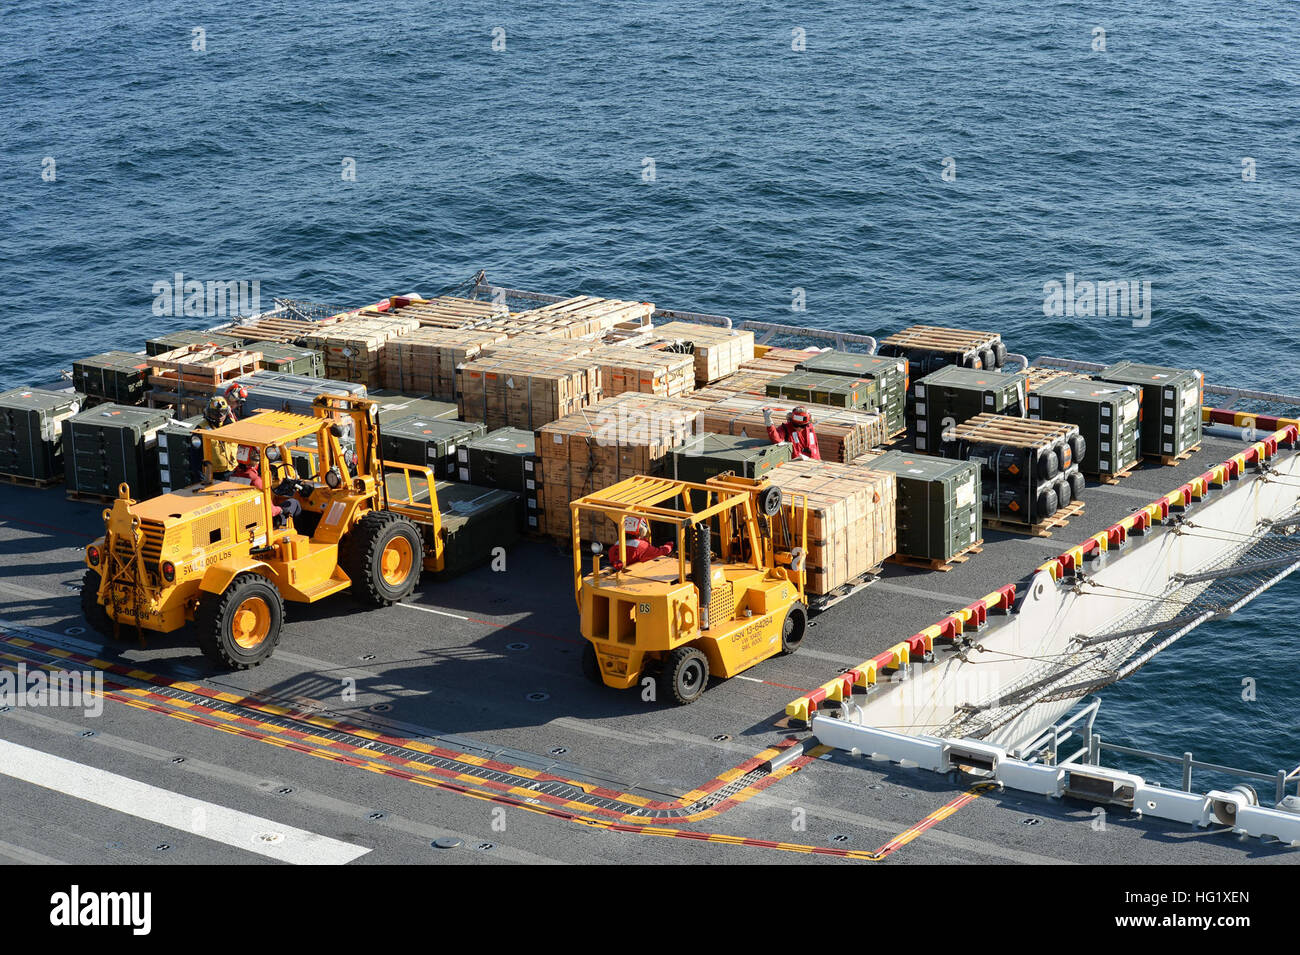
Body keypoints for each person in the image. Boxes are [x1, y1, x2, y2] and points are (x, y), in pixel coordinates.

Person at [231, 446, 302, 528]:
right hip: (260, 520)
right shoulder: (256, 481)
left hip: (243, 517)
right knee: (294, 503)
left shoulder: (232, 476)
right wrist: (281, 509)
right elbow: (271, 511)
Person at [608, 516, 674, 570]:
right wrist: (670, 544)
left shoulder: (613, 548)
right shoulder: (641, 546)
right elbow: (662, 552)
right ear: (642, 531)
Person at [200, 396, 239, 479]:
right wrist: (201, 478)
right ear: (209, 412)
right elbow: (195, 457)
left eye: (223, 412)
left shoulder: (232, 424)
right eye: (216, 413)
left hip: (233, 471)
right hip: (214, 475)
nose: (220, 416)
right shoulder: (201, 429)